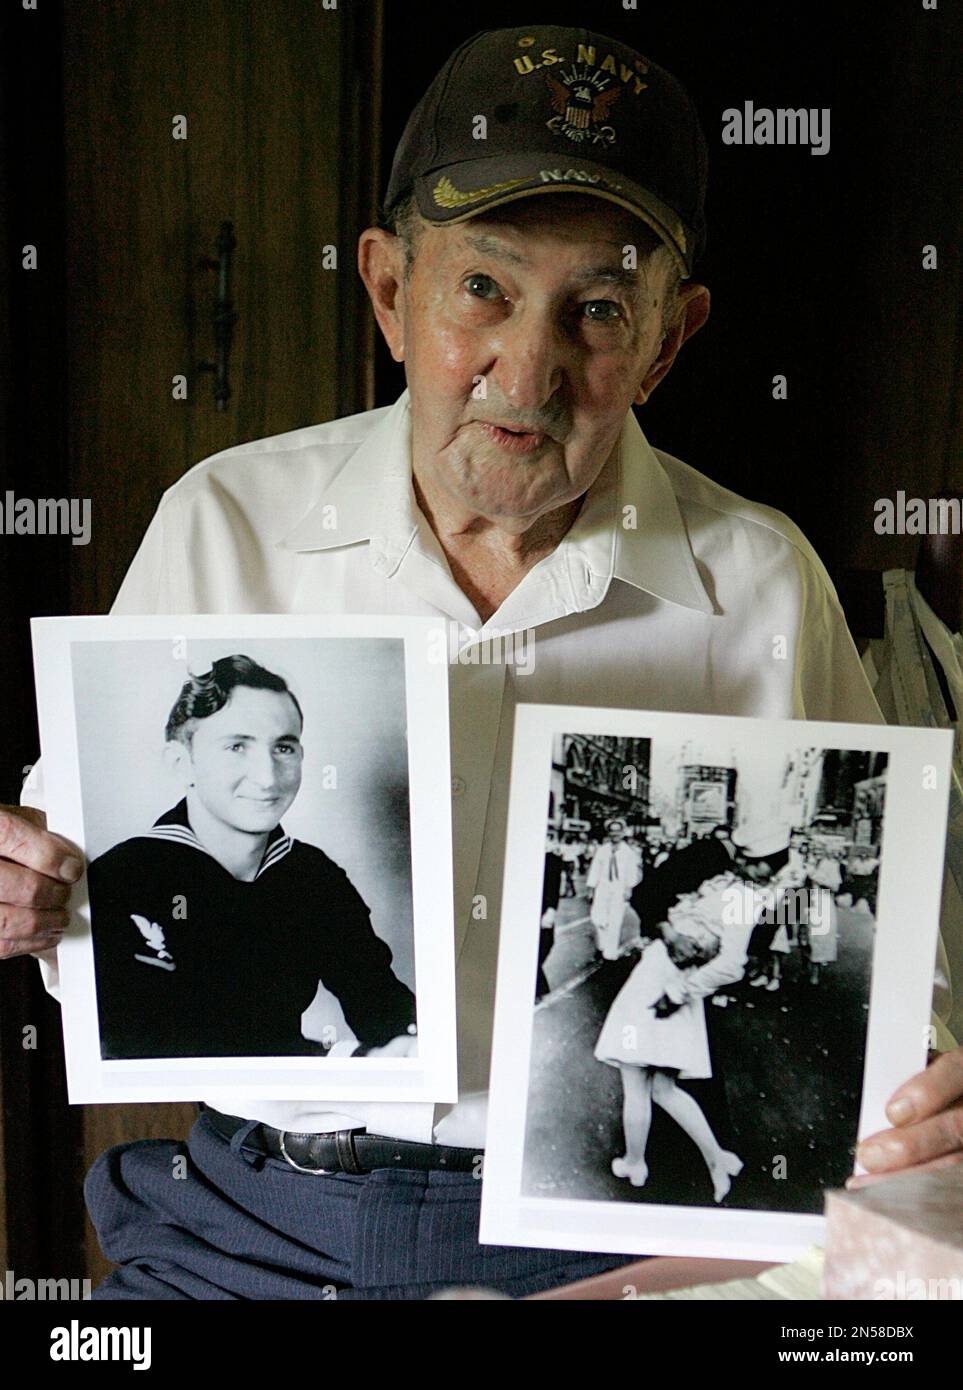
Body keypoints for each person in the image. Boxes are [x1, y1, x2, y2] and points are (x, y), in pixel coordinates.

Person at [2, 23, 960, 1299]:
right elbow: (76, 903)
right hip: (256, 1219)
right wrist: (27, 895)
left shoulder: (760, 580)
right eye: (483, 290)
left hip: (613, 1236)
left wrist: (921, 1086)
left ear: (672, 340)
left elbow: (907, 994)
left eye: (601, 310)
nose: (529, 371)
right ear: (393, 291)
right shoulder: (222, 522)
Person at [88, 655, 417, 1059]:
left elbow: (381, 1005)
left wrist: (406, 1046)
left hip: (301, 1109)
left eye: (283, 747)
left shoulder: (312, 877)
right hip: (166, 1116)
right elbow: (150, 1043)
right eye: (237, 746)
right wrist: (347, 1059)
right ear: (181, 763)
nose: (267, 777)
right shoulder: (121, 878)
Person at [594, 910, 744, 1203]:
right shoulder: (740, 905)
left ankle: (635, 1164)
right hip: (682, 989)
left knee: (636, 1088)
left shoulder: (709, 893)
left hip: (651, 985)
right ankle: (716, 1160)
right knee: (665, 1090)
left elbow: (650, 904)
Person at [586, 817, 643, 960]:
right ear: (608, 833)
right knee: (598, 918)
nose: (615, 834)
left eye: (618, 831)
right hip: (602, 888)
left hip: (619, 889)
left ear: (623, 833)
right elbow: (595, 869)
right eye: (612, 831)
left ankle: (610, 953)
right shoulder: (602, 850)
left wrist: (629, 889)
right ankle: (603, 944)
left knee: (615, 920)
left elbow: (632, 872)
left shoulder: (628, 852)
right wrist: (591, 888)